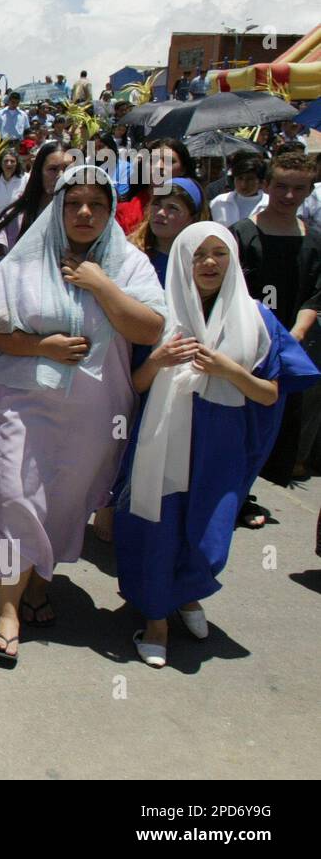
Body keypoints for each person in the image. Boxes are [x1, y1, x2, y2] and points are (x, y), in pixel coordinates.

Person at [0, 165, 166, 666]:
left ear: (110, 212)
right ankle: (7, 609)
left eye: (97, 205)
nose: (84, 213)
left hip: (95, 410)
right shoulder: (27, 259)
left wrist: (99, 284)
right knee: (15, 497)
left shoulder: (129, 265)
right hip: (18, 397)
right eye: (73, 203)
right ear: (57, 208)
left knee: (64, 501)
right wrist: (42, 347)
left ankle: (38, 581)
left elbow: (149, 329)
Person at [115, 223, 319, 667]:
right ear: (182, 261)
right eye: (198, 255)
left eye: (218, 253)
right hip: (163, 440)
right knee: (158, 528)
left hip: (223, 444)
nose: (209, 263)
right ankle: (155, 619)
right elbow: (129, 386)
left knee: (209, 534)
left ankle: (187, 594)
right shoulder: (158, 316)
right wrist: (160, 361)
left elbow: (271, 393)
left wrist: (230, 371)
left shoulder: (257, 320)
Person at [90, 177, 208, 543]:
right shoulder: (130, 256)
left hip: (175, 361)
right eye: (158, 204)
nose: (161, 213)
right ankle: (106, 504)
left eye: (174, 208)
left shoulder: (202, 261)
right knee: (118, 434)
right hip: (129, 353)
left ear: (192, 217)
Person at [230, 151, 321, 485]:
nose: (288, 196)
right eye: (281, 186)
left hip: (289, 345)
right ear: (266, 185)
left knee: (281, 420)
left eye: (299, 189)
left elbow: (314, 293)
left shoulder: (313, 241)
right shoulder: (241, 235)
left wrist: (295, 333)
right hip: (246, 341)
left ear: (309, 192)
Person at [0, 141, 74, 258]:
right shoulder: (15, 219)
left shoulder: (83, 218)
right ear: (40, 172)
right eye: (53, 169)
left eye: (68, 168)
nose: (61, 175)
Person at [210, 151, 266, 226]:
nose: (243, 184)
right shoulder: (219, 202)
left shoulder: (269, 205)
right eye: (240, 178)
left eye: (250, 179)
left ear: (260, 182)